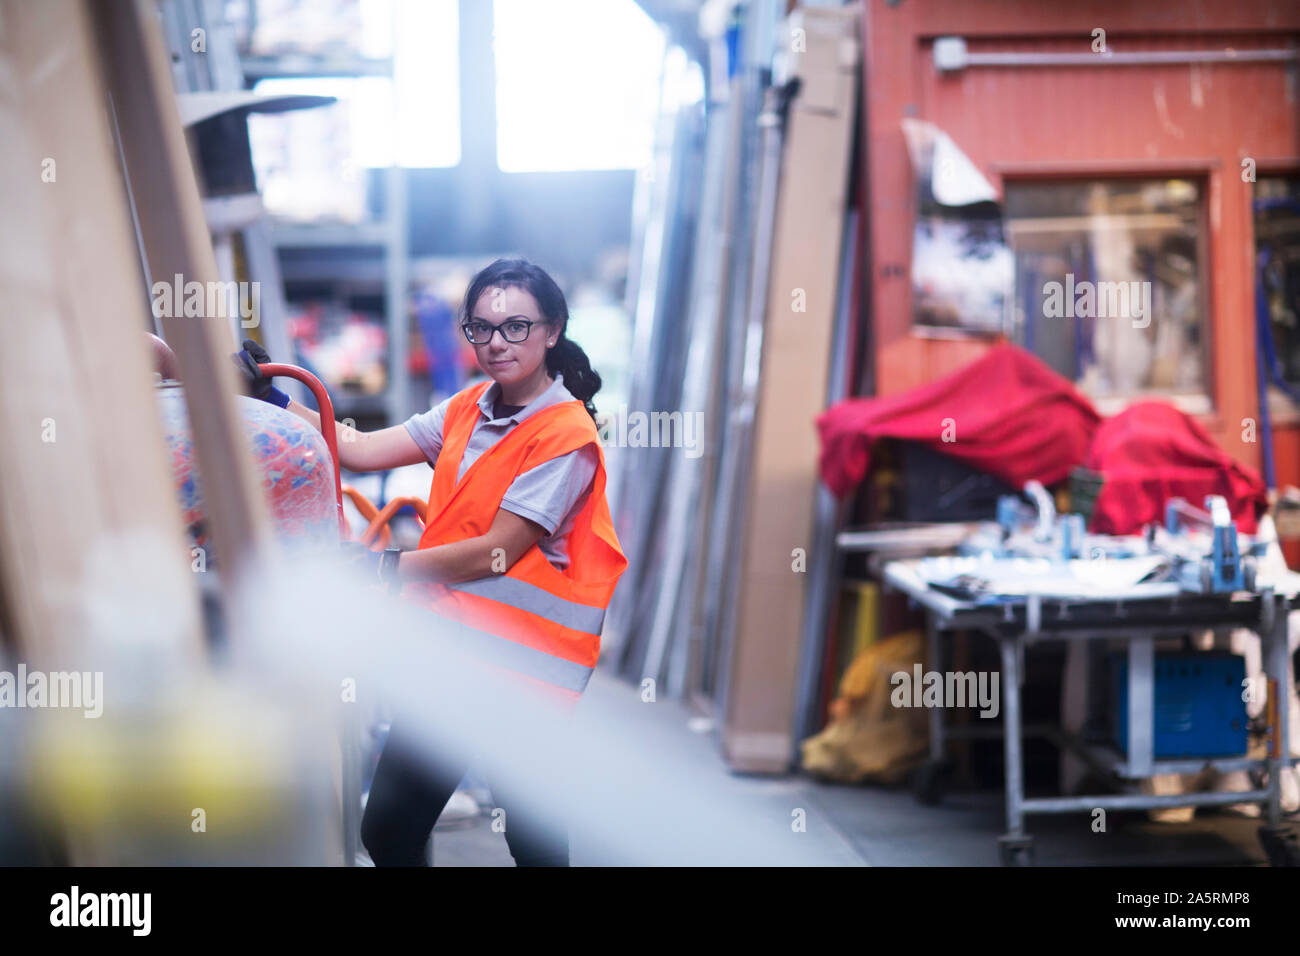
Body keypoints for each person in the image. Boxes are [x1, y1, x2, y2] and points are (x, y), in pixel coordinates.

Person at [236, 258, 628, 866]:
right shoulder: (468, 407)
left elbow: (496, 551)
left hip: (522, 682)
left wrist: (382, 571)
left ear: (553, 330)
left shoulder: (565, 436)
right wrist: (271, 394)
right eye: (481, 328)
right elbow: (361, 449)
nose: (497, 343)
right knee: (389, 833)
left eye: (517, 327)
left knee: (535, 846)